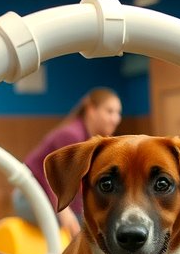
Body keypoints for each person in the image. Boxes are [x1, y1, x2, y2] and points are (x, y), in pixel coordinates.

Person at [13, 87, 122, 237]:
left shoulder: (90, 141)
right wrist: (65, 212)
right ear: (91, 110)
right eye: (109, 111)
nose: (115, 119)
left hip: (51, 199)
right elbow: (53, 179)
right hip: (29, 197)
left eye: (118, 113)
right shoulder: (71, 135)